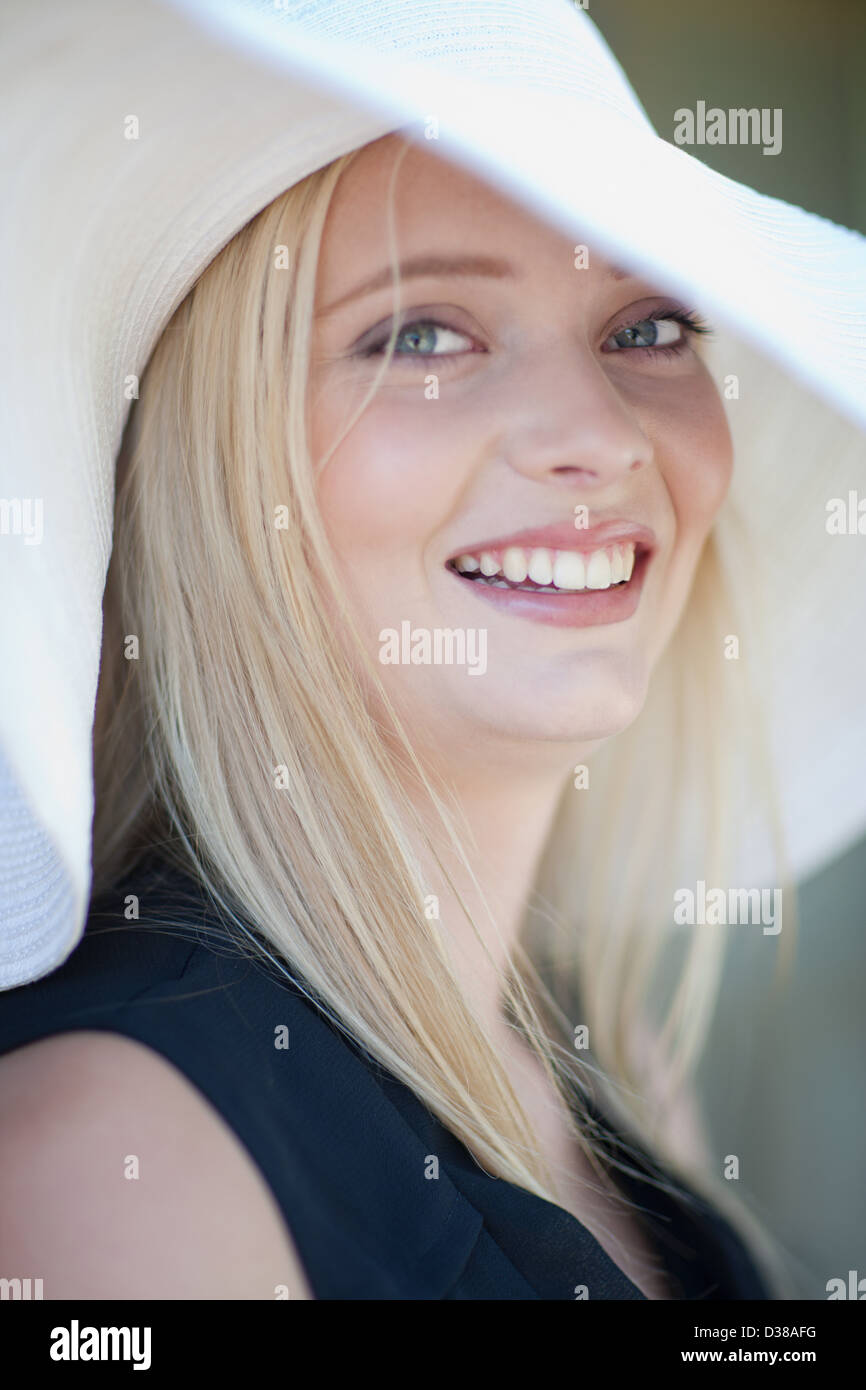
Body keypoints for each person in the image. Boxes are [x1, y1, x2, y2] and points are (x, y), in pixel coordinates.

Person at [1, 0, 864, 1302]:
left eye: (646, 328)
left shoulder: (611, 1072)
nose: (599, 434)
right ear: (216, 467)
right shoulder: (122, 1152)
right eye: (420, 332)